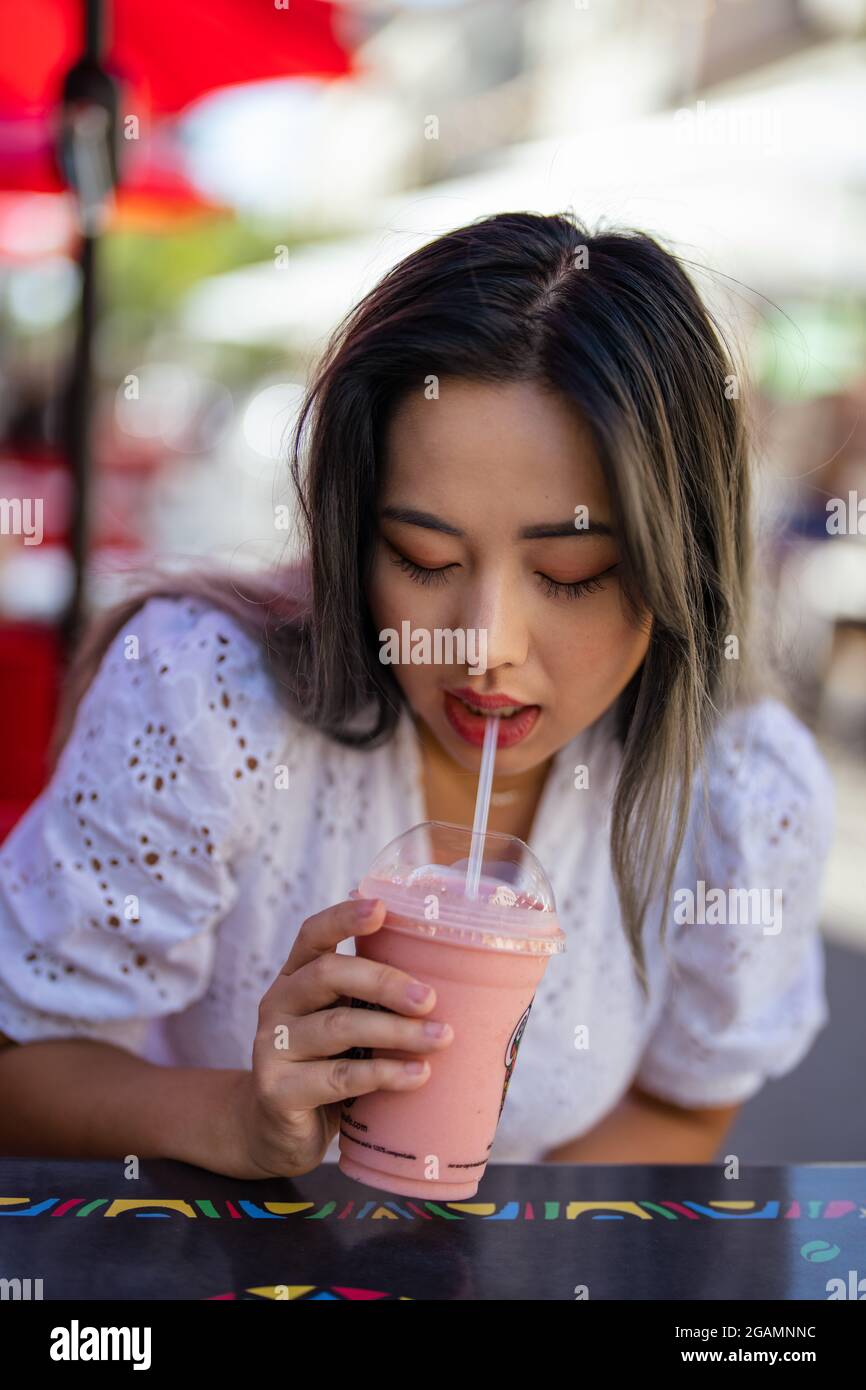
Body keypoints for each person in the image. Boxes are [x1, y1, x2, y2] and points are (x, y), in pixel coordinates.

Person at [0, 211, 834, 1176]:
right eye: (422, 556)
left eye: (571, 571)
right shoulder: (208, 699)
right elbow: (20, 1070)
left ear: (679, 565)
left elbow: (680, 1105)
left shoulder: (741, 791)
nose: (482, 647)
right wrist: (238, 1116)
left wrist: (477, 1263)